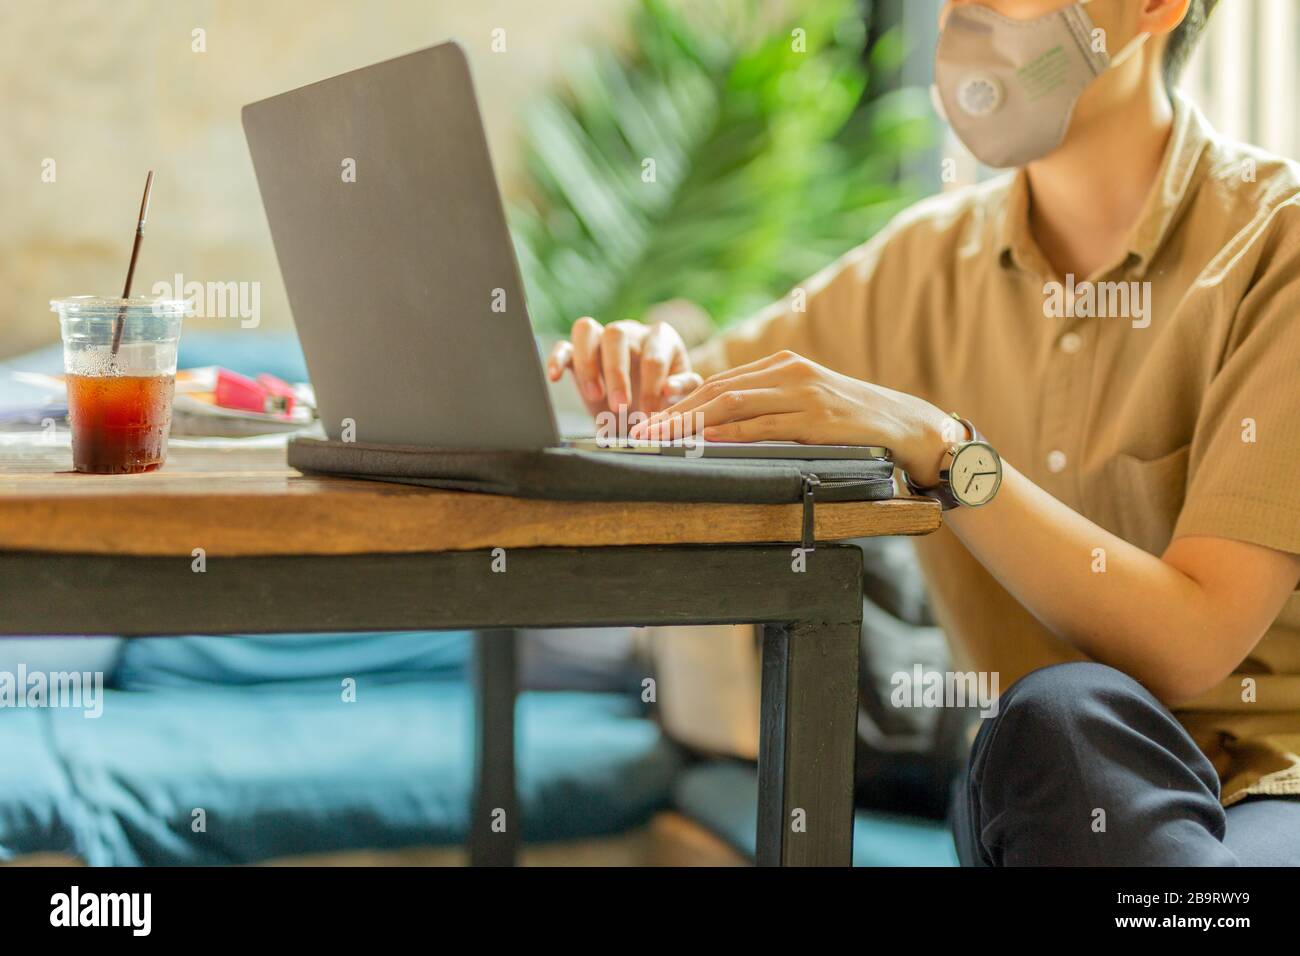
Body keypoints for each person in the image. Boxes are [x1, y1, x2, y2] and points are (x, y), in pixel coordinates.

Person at [546, 0, 1300, 865]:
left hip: (1269, 789)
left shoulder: (1276, 249)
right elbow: (697, 397)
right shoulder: (920, 266)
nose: (961, 15)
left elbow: (1189, 643)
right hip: (1051, 785)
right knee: (1060, 715)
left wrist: (946, 451)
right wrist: (643, 366)